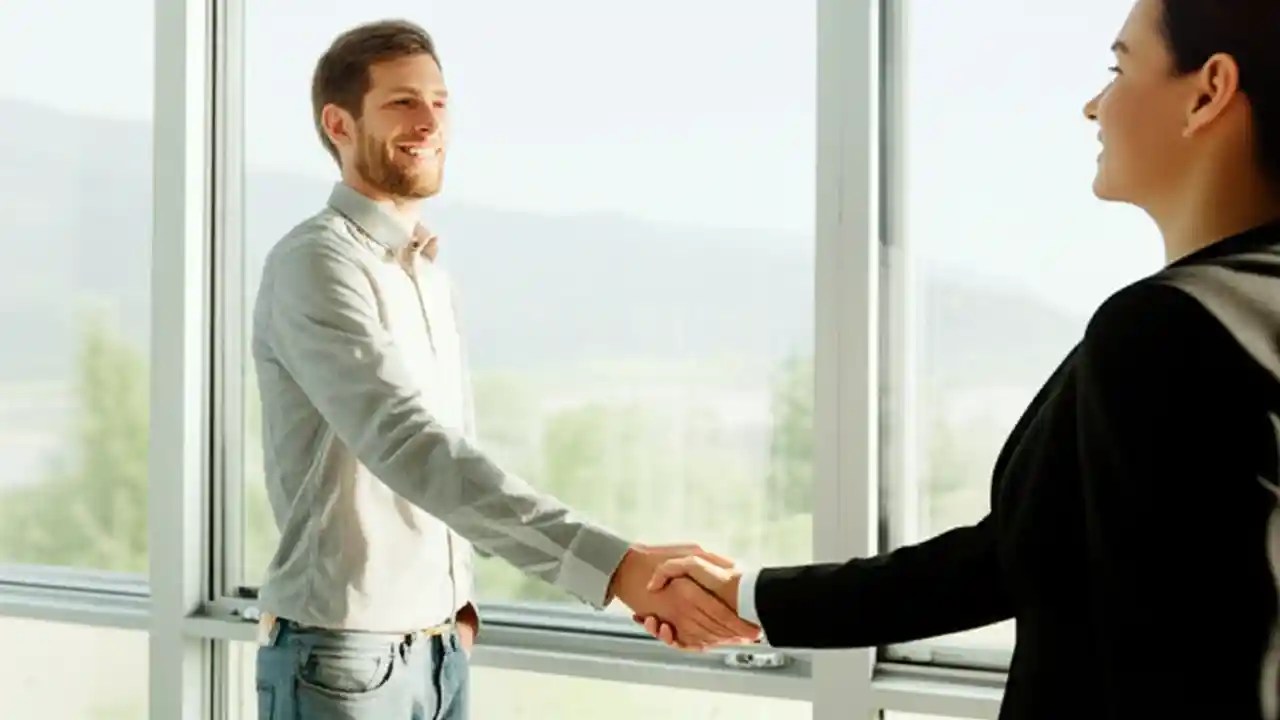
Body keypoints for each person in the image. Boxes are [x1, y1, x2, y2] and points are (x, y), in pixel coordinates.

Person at [641, 0, 1280, 717]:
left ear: (1208, 91)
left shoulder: (1161, 329)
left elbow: (1171, 649)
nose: (1093, 105)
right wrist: (752, 595)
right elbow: (1017, 552)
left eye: (1119, 66)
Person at [250, 19, 759, 720]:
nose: (430, 120)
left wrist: (455, 610)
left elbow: (449, 464)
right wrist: (618, 567)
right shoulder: (316, 263)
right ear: (338, 123)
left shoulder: (425, 272)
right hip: (342, 660)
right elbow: (407, 444)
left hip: (440, 650)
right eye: (402, 102)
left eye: (440, 100)